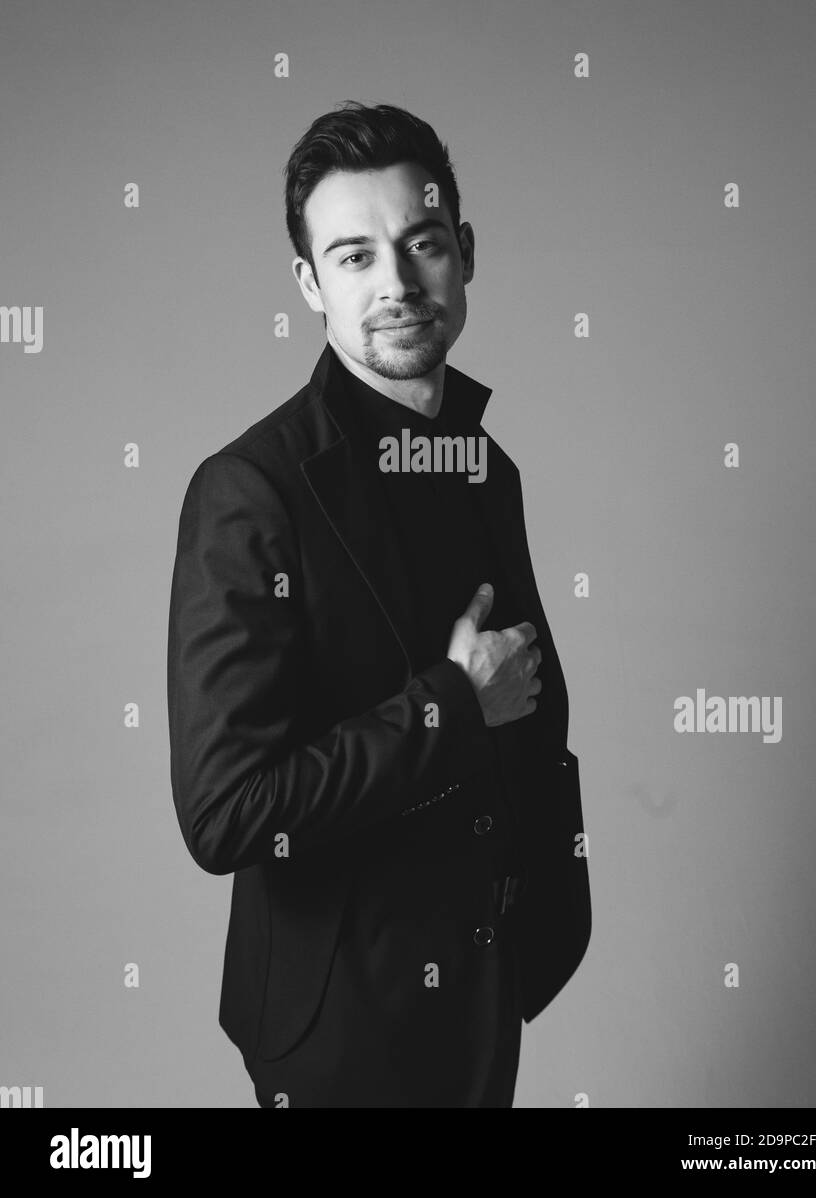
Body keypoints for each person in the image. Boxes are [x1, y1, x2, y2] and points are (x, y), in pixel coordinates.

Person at [167, 100, 591, 1108]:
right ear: (310, 284)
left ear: (465, 254)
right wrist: (451, 700)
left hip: (485, 999)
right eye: (354, 257)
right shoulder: (250, 490)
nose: (398, 285)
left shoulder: (487, 468)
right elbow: (227, 813)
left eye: (422, 245)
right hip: (338, 1034)